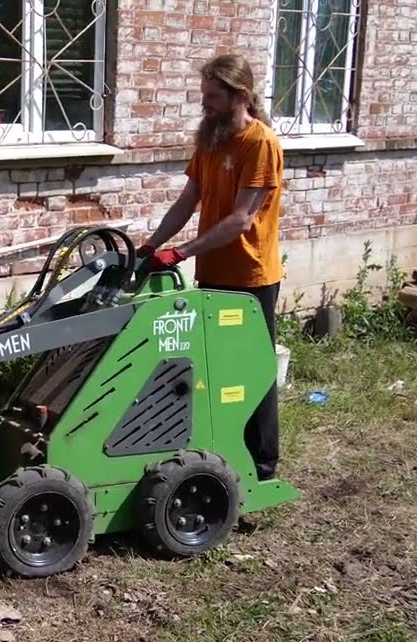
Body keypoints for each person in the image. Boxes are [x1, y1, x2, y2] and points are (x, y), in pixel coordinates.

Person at [137, 52, 285, 483]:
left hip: (250, 278)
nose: (205, 104)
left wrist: (181, 253)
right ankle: (218, 456)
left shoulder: (260, 144)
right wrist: (151, 245)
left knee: (253, 373)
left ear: (240, 95)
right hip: (213, 276)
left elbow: (242, 219)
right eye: (203, 95)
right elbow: (188, 201)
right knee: (211, 371)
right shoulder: (210, 139)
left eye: (213, 96)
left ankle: (261, 469)